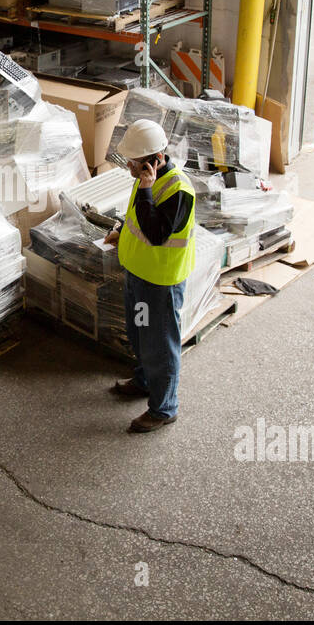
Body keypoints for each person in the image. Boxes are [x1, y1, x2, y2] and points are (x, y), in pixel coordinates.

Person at [102, 119, 197, 433]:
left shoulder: (178, 190)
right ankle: (144, 381)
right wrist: (119, 230)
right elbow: (138, 215)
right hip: (139, 274)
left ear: (155, 159)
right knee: (139, 334)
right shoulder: (147, 177)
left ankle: (163, 409)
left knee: (159, 345)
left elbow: (156, 233)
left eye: (132, 161)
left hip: (160, 283)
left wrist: (144, 189)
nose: (128, 166)